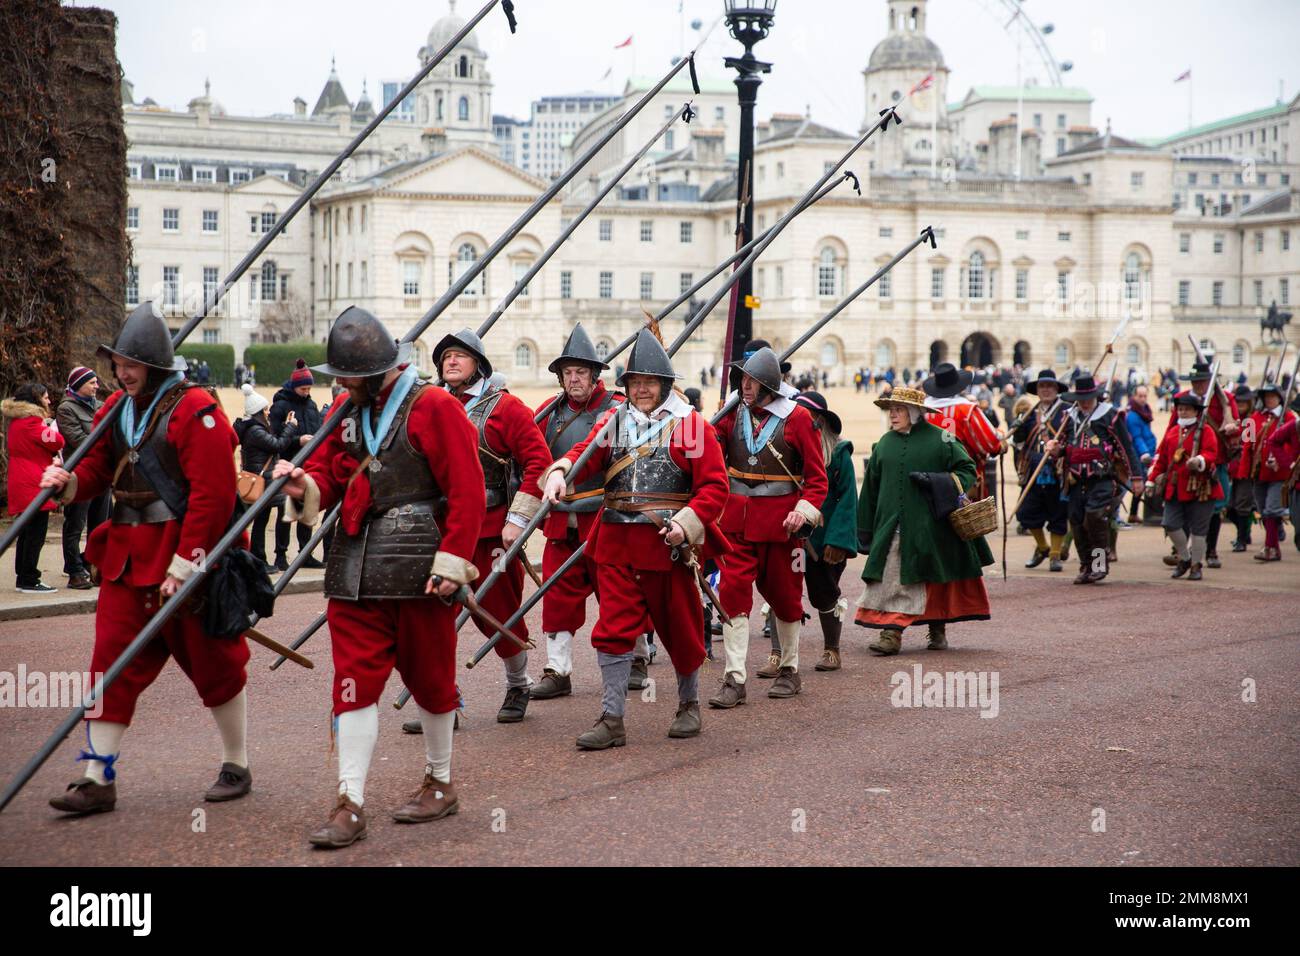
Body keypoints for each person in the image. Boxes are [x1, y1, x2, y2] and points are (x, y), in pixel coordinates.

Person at [272, 307, 483, 847]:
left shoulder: (434, 406)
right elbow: (328, 468)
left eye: (346, 375)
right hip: (354, 567)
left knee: (432, 681)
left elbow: (466, 491)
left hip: (421, 566)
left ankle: (440, 782)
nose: (338, 384)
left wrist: (453, 562)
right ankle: (350, 801)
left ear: (376, 372)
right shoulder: (347, 408)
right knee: (353, 685)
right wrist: (303, 484)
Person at [40, 301, 252, 814]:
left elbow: (212, 495)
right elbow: (97, 470)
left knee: (215, 664)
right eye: (117, 363)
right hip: (127, 560)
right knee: (108, 669)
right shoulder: (116, 410)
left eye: (129, 364)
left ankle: (237, 763)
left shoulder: (196, 408)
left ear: (154, 364)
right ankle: (97, 777)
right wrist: (68, 484)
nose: (121, 372)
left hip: (183, 558)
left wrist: (188, 564)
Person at [540, 329, 728, 748]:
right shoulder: (613, 421)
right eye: (634, 383)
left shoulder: (692, 426)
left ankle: (688, 704)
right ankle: (612, 718)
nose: (641, 390)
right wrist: (558, 470)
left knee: (681, 629)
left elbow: (715, 488)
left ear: (664, 385)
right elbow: (583, 454)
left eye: (649, 382)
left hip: (668, 546)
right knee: (612, 629)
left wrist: (687, 523)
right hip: (616, 544)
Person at [435, 329, 549, 723]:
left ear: (477, 365)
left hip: (490, 529)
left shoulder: (507, 408)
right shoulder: (429, 406)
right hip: (442, 531)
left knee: (498, 615)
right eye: (446, 356)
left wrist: (518, 519)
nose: (450, 361)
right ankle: (442, 700)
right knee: (432, 620)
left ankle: (518, 683)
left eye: (459, 355)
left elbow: (539, 463)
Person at [709, 346, 827, 706]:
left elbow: (817, 480)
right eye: (742, 379)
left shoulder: (799, 418)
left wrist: (803, 513)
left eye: (752, 380)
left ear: (768, 385)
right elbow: (712, 457)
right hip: (737, 523)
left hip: (782, 526)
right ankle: (734, 677)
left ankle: (789, 669)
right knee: (731, 596)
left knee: (786, 599)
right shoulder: (730, 414)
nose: (745, 386)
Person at [854, 386, 992, 654]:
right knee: (893, 577)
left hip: (932, 523)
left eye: (899, 410)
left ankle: (937, 630)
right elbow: (870, 488)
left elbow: (967, 470)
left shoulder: (943, 438)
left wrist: (938, 481)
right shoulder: (884, 443)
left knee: (935, 578)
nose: (892, 415)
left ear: (915, 412)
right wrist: (864, 528)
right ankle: (891, 634)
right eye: (891, 410)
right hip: (891, 526)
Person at [528, 325, 625, 701]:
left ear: (594, 374)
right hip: (560, 517)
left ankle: (631, 656)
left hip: (604, 515)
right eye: (567, 373)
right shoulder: (547, 412)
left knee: (616, 593)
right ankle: (558, 669)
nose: (573, 379)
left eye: (580, 372)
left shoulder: (616, 409)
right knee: (556, 596)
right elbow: (527, 455)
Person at [1045, 374, 1141, 585]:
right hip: (1075, 479)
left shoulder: (1111, 416)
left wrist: (1136, 476)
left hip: (1102, 478)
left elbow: (1125, 448)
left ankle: (1098, 566)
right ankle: (1085, 565)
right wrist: (1055, 449)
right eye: (1082, 398)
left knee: (1095, 518)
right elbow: (1063, 447)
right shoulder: (1068, 417)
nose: (1085, 402)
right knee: (1077, 521)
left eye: (1089, 397)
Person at [791, 391, 856, 671]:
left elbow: (848, 500)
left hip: (824, 540)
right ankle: (779, 655)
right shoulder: (788, 450)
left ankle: (832, 650)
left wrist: (838, 540)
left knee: (824, 593)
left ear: (818, 421)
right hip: (789, 536)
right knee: (783, 591)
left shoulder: (839, 456)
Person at [1146, 392, 1222, 580]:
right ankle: (1185, 558)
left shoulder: (1206, 431)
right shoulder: (1172, 432)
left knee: (1198, 530)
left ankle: (1196, 565)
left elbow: (1212, 453)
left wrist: (1199, 460)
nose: (1183, 412)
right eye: (1180, 409)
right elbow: (1162, 459)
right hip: (1175, 487)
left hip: (1200, 486)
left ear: (1196, 411)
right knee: (1170, 524)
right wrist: (1151, 479)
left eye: (1187, 409)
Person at [233, 384, 300, 573]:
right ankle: (259, 558)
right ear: (259, 411)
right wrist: (291, 427)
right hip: (263, 480)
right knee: (262, 520)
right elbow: (277, 445)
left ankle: (260, 557)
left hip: (263, 478)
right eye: (265, 409)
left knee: (262, 520)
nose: (268, 412)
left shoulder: (253, 428)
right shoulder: (255, 430)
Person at [5, 382, 65, 593]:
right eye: (46, 397)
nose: (49, 401)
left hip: (21, 480)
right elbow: (57, 441)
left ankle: (23, 576)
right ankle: (29, 578)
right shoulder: (32, 422)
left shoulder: (17, 421)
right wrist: (48, 426)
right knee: (35, 534)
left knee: (26, 533)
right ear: (36, 399)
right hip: (33, 483)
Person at [56, 366, 111, 590]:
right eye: (92, 383)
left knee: (100, 525)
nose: (96, 386)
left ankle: (92, 564)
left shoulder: (100, 407)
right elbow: (79, 440)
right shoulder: (66, 409)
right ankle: (75, 571)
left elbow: (112, 434)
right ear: (79, 385)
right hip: (79, 476)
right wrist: (106, 445)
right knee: (75, 524)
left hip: (102, 476)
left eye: (96, 382)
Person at [268, 359, 324, 570]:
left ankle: (305, 552)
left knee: (307, 507)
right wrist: (298, 440)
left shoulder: (311, 405)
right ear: (294, 386)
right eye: (303, 388)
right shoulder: (281, 406)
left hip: (307, 463)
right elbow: (274, 435)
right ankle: (280, 555)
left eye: (309, 388)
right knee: (285, 511)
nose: (306, 392)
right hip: (287, 462)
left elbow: (318, 429)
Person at [921, 362, 1004, 502]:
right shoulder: (966, 410)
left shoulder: (922, 412)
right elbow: (989, 443)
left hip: (929, 476)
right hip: (964, 478)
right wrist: (1001, 439)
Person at [1013, 369, 1070, 572]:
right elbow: (1019, 442)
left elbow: (1072, 439)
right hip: (1033, 473)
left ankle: (1055, 556)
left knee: (1058, 514)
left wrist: (1059, 450)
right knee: (1026, 513)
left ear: (1056, 389)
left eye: (1050, 386)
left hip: (1058, 472)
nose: (1046, 390)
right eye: (1042, 386)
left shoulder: (1067, 412)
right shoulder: (1029, 414)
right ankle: (1043, 547)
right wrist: (1017, 426)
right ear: (1037, 390)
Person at [1245, 382, 1299, 561]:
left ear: (1279, 398)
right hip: (1259, 472)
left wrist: (1282, 460)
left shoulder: (1290, 418)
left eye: (1272, 396)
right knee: (1263, 509)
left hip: (1280, 473)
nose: (1269, 400)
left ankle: (1271, 548)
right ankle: (1273, 541)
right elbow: (1248, 443)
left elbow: (1294, 447)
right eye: (1266, 397)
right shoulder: (1254, 418)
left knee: (1271, 510)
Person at [1224, 384, 1257, 551]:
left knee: (1242, 506)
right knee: (1229, 508)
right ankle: (1244, 533)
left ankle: (1242, 540)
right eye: (1238, 402)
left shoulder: (1249, 421)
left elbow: (1247, 444)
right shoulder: (1232, 419)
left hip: (1244, 467)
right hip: (1232, 467)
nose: (1241, 404)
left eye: (1244, 402)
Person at [1124, 384, 1158, 523]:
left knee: (1141, 484)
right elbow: (1136, 437)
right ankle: (1130, 513)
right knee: (1136, 483)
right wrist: (1144, 453)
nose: (1143, 399)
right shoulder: (1132, 415)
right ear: (1134, 396)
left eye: (1145, 396)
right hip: (1138, 455)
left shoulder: (1144, 411)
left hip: (1146, 452)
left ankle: (1133, 514)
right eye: (1140, 396)